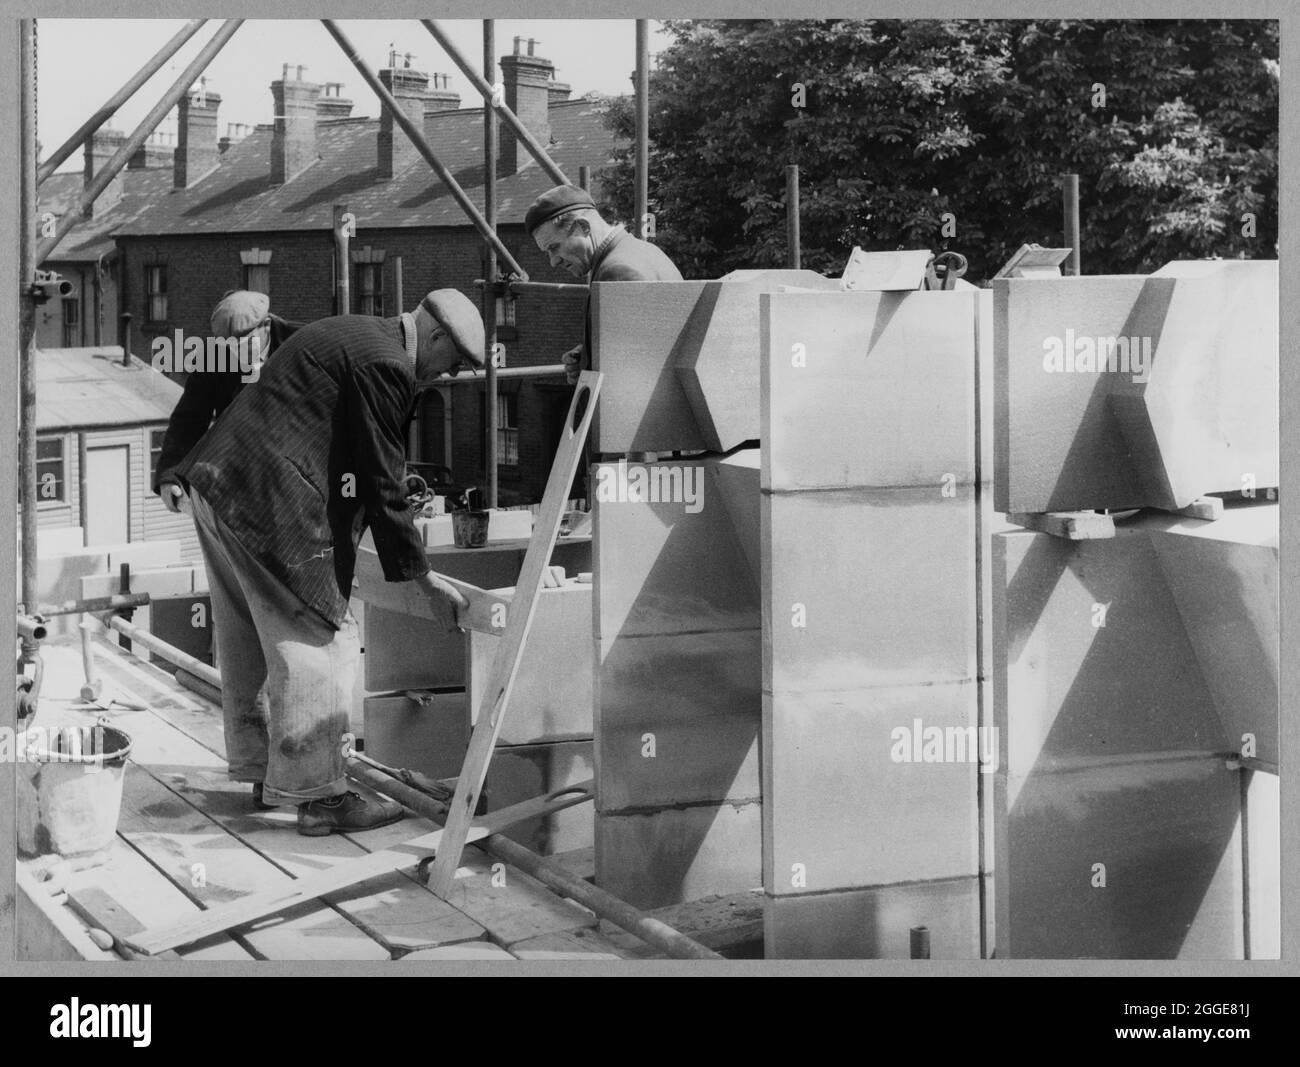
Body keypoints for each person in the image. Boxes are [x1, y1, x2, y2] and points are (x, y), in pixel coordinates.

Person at [170, 290, 485, 835]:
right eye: (450, 363)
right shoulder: (388, 363)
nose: (446, 377)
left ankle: (264, 775)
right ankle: (321, 801)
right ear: (434, 338)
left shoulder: (353, 329)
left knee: (247, 639)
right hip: (263, 505)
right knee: (324, 638)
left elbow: (350, 451)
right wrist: (424, 579)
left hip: (218, 488)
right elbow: (382, 479)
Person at [152, 290, 303, 511]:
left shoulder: (302, 344)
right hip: (244, 471)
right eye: (229, 345)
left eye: (245, 343)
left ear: (266, 325)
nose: (238, 352)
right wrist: (169, 475)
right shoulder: (213, 356)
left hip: (299, 468)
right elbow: (189, 420)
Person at [525, 185, 683, 385]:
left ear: (583, 226)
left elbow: (628, 378)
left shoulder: (616, 271)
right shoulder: (644, 251)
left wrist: (589, 367)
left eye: (554, 247)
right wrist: (587, 355)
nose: (553, 261)